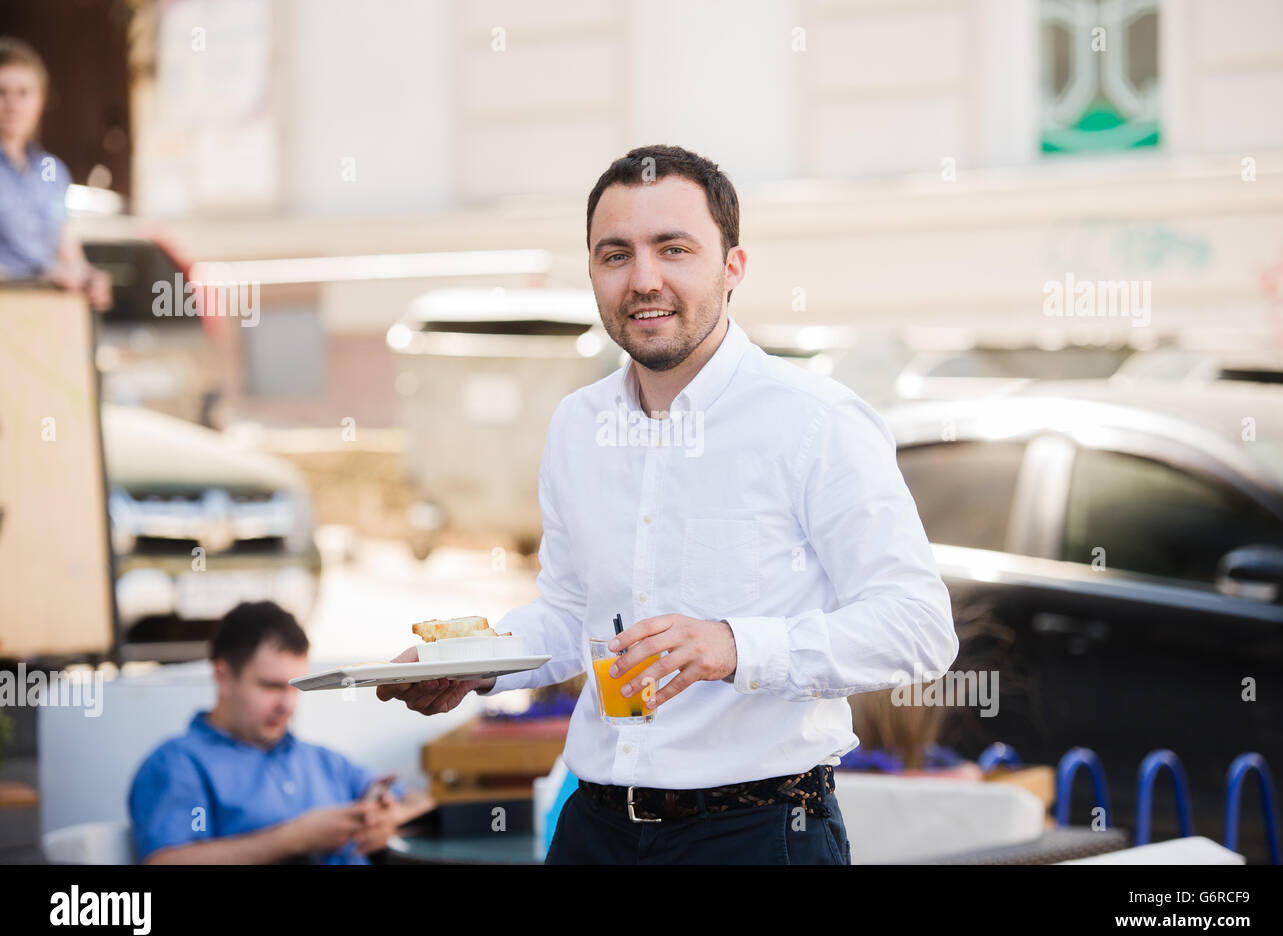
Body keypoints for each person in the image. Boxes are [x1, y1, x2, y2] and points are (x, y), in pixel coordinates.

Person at [379, 145, 960, 865]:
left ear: (732, 267)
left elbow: (919, 626)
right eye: (615, 254)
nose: (643, 279)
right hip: (594, 830)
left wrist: (736, 645)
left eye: (673, 249)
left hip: (757, 834)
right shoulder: (575, 426)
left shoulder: (817, 421)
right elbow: (568, 614)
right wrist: (472, 664)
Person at [128, 601, 433, 864]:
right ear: (223, 677)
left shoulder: (322, 761)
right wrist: (294, 837)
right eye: (271, 686)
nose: (287, 705)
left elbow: (423, 803)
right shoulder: (178, 764)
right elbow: (166, 860)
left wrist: (389, 821)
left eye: (295, 686)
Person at [0, 35, 111, 310]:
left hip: (50, 323)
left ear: (40, 100)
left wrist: (88, 277)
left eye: (24, 93)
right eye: (1, 92)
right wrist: (41, 278)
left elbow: (68, 251)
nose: (12, 104)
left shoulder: (52, 171)